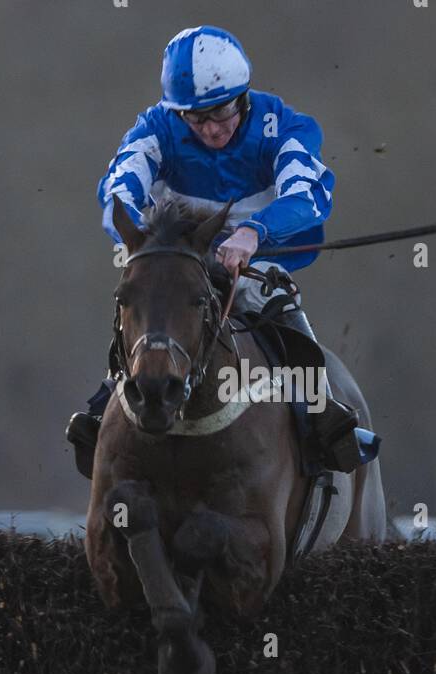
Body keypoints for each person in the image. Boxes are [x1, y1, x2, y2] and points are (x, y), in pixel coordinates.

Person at [67, 24, 372, 478]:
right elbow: (119, 189)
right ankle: (107, 406)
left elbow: (308, 196)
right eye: (196, 118)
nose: (211, 129)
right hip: (183, 260)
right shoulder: (156, 129)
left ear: (243, 96)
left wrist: (253, 232)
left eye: (221, 111)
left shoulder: (283, 127)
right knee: (143, 309)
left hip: (259, 263)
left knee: (275, 301)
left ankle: (323, 415)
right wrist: (141, 240)